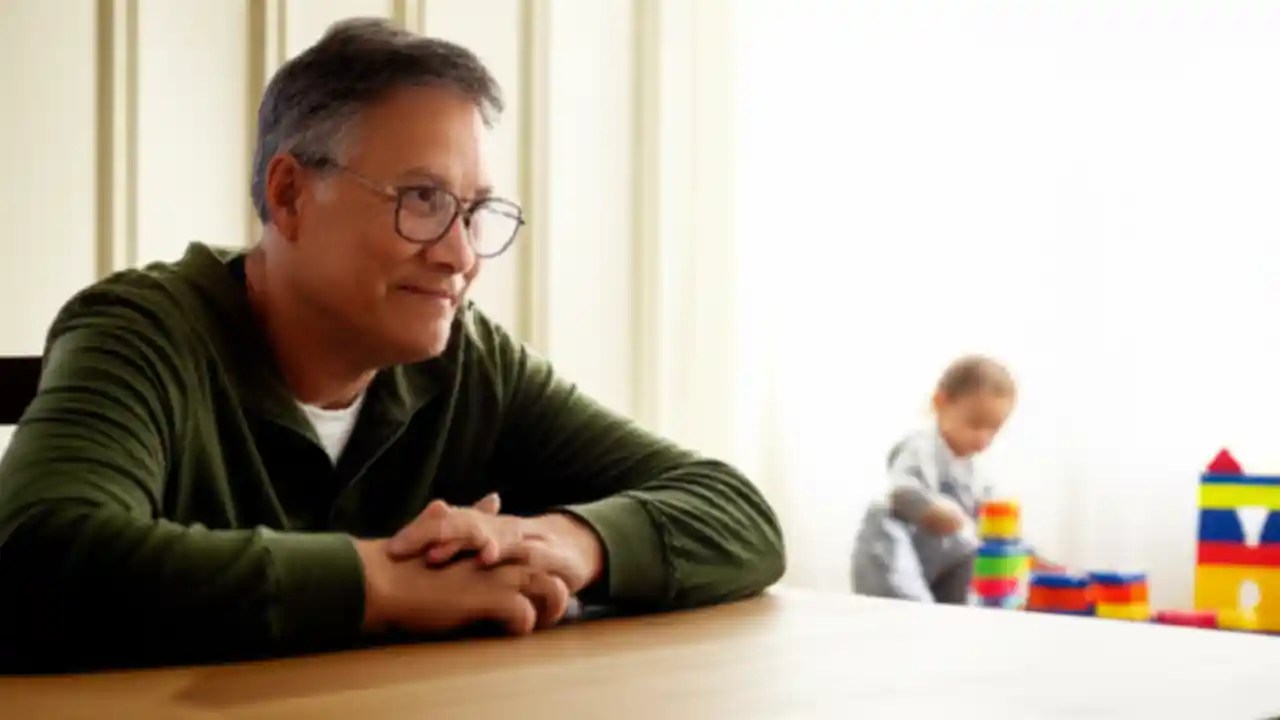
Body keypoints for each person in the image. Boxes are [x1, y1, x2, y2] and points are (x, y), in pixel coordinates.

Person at [0, 18, 784, 672]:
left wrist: (560, 543)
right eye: (422, 200)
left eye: (474, 211)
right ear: (290, 194)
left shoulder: (471, 363)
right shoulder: (143, 331)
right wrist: (385, 581)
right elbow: (37, 553)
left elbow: (737, 514)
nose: (460, 254)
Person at [851, 355, 1032, 604]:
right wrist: (932, 509)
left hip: (940, 570)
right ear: (940, 403)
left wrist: (1025, 554)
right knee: (882, 516)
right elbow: (901, 490)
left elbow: (993, 524)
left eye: (993, 429)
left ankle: (957, 613)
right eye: (974, 424)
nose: (983, 439)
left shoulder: (976, 473)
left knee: (974, 548)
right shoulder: (921, 448)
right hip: (898, 557)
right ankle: (909, 608)